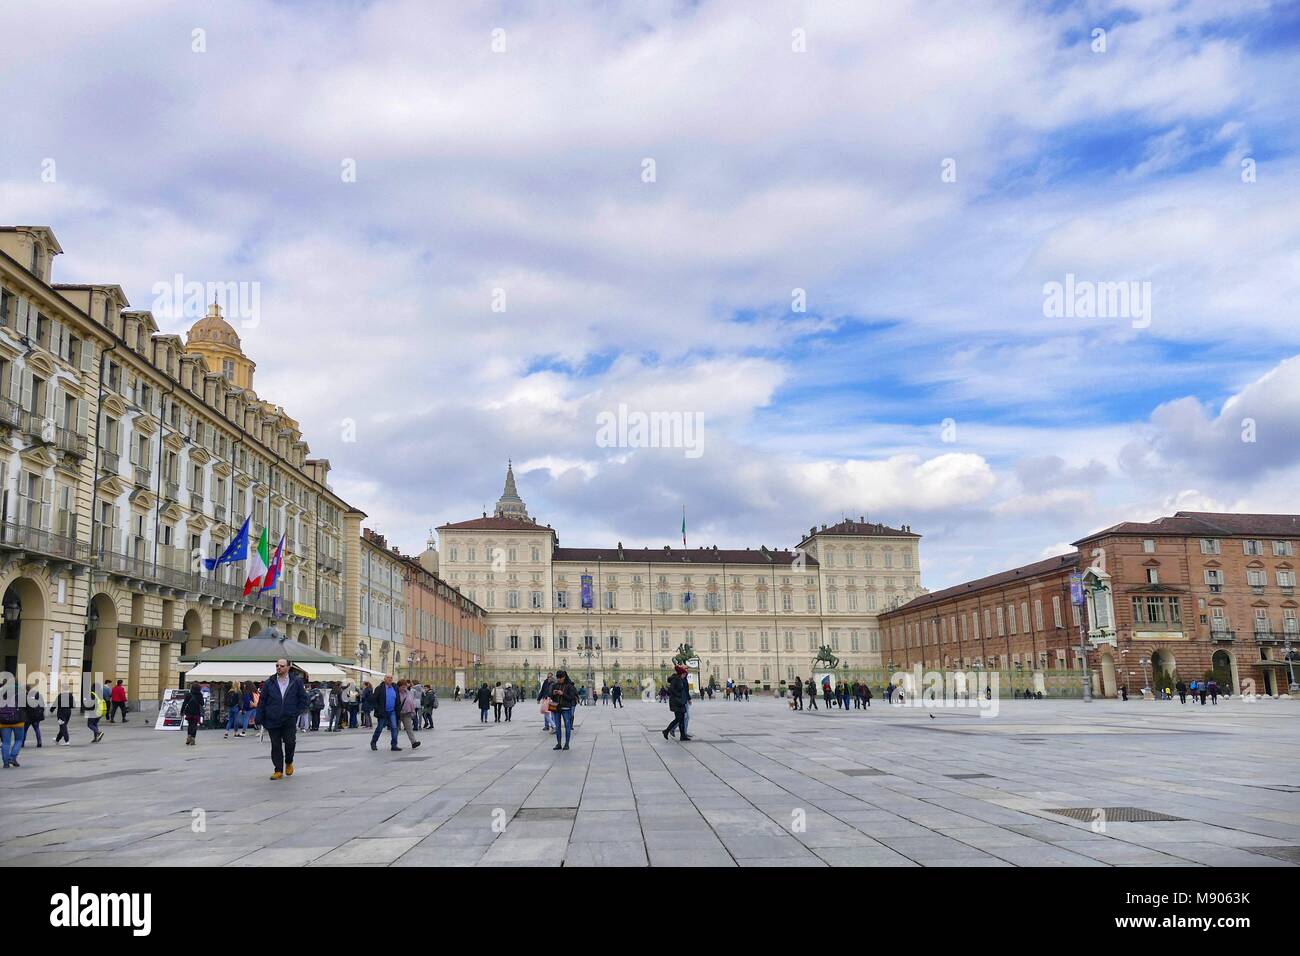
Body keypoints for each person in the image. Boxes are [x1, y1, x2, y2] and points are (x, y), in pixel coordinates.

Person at [255, 658, 309, 779]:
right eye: (277, 665)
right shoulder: (269, 682)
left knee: (290, 742)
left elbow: (303, 698)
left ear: (288, 667)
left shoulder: (296, 682)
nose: (279, 667)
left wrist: (297, 711)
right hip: (272, 718)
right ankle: (278, 770)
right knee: (276, 745)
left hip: (289, 718)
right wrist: (259, 716)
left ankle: (289, 761)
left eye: (282, 666)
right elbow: (262, 701)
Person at [370, 674, 403, 751]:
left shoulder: (395, 688)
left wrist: (398, 708)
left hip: (392, 711)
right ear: (384, 679)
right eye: (388, 678)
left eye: (391, 678)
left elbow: (397, 699)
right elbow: (374, 699)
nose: (389, 679)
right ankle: (373, 742)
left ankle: (394, 745)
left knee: (394, 728)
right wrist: (377, 709)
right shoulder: (379, 688)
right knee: (380, 728)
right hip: (383, 712)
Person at [0, 677, 26, 768]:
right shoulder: (20, 691)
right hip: (18, 720)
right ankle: (13, 757)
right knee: (19, 740)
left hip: (3, 721)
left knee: (5, 742)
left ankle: (6, 762)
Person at [661, 665, 691, 742]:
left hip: (680, 702)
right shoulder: (675, 680)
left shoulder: (680, 679)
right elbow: (671, 690)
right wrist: (678, 696)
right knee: (678, 719)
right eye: (684, 674)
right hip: (676, 702)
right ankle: (666, 731)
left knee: (681, 720)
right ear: (681, 674)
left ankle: (683, 736)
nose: (685, 675)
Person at [549, 670, 577, 750]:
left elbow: (571, 698)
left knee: (567, 726)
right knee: (557, 726)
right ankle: (558, 743)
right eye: (557, 678)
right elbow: (550, 695)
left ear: (564, 677)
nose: (558, 679)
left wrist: (563, 694)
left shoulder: (569, 686)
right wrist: (553, 693)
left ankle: (567, 744)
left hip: (566, 708)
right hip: (556, 708)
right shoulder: (555, 685)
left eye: (560, 678)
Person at [396, 679, 421, 749]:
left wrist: (413, 711)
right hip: (398, 713)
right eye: (403, 686)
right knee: (396, 729)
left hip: (407, 713)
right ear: (399, 686)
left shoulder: (408, 693)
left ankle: (414, 742)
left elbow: (411, 702)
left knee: (409, 728)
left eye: (405, 686)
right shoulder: (396, 693)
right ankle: (394, 743)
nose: (404, 688)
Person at [24, 681, 44, 749]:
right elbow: (41, 703)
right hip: (36, 716)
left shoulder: (24, 696)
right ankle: (39, 742)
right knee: (37, 729)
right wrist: (40, 711)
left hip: (27, 716)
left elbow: (23, 707)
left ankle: (22, 743)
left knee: (24, 730)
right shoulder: (36, 694)